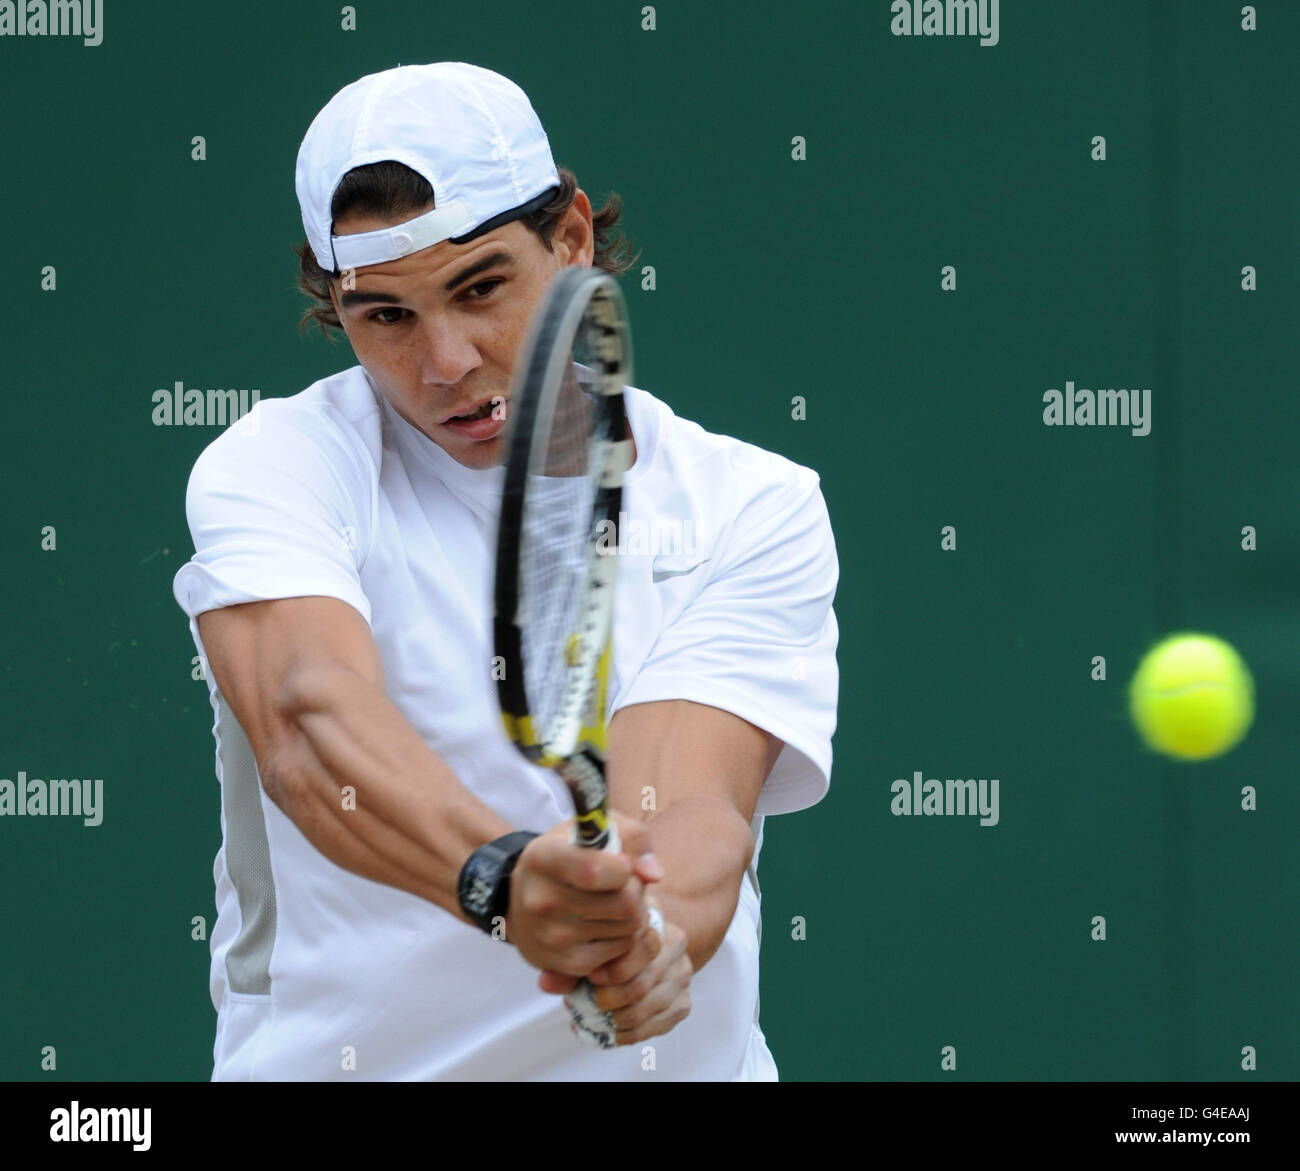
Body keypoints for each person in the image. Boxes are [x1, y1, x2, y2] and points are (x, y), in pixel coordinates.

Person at [172, 61, 839, 1081]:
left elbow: (691, 804)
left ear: (571, 239)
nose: (444, 362)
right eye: (384, 315)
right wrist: (498, 874)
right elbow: (308, 725)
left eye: (480, 287)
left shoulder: (750, 504)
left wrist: (653, 928)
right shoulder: (280, 466)